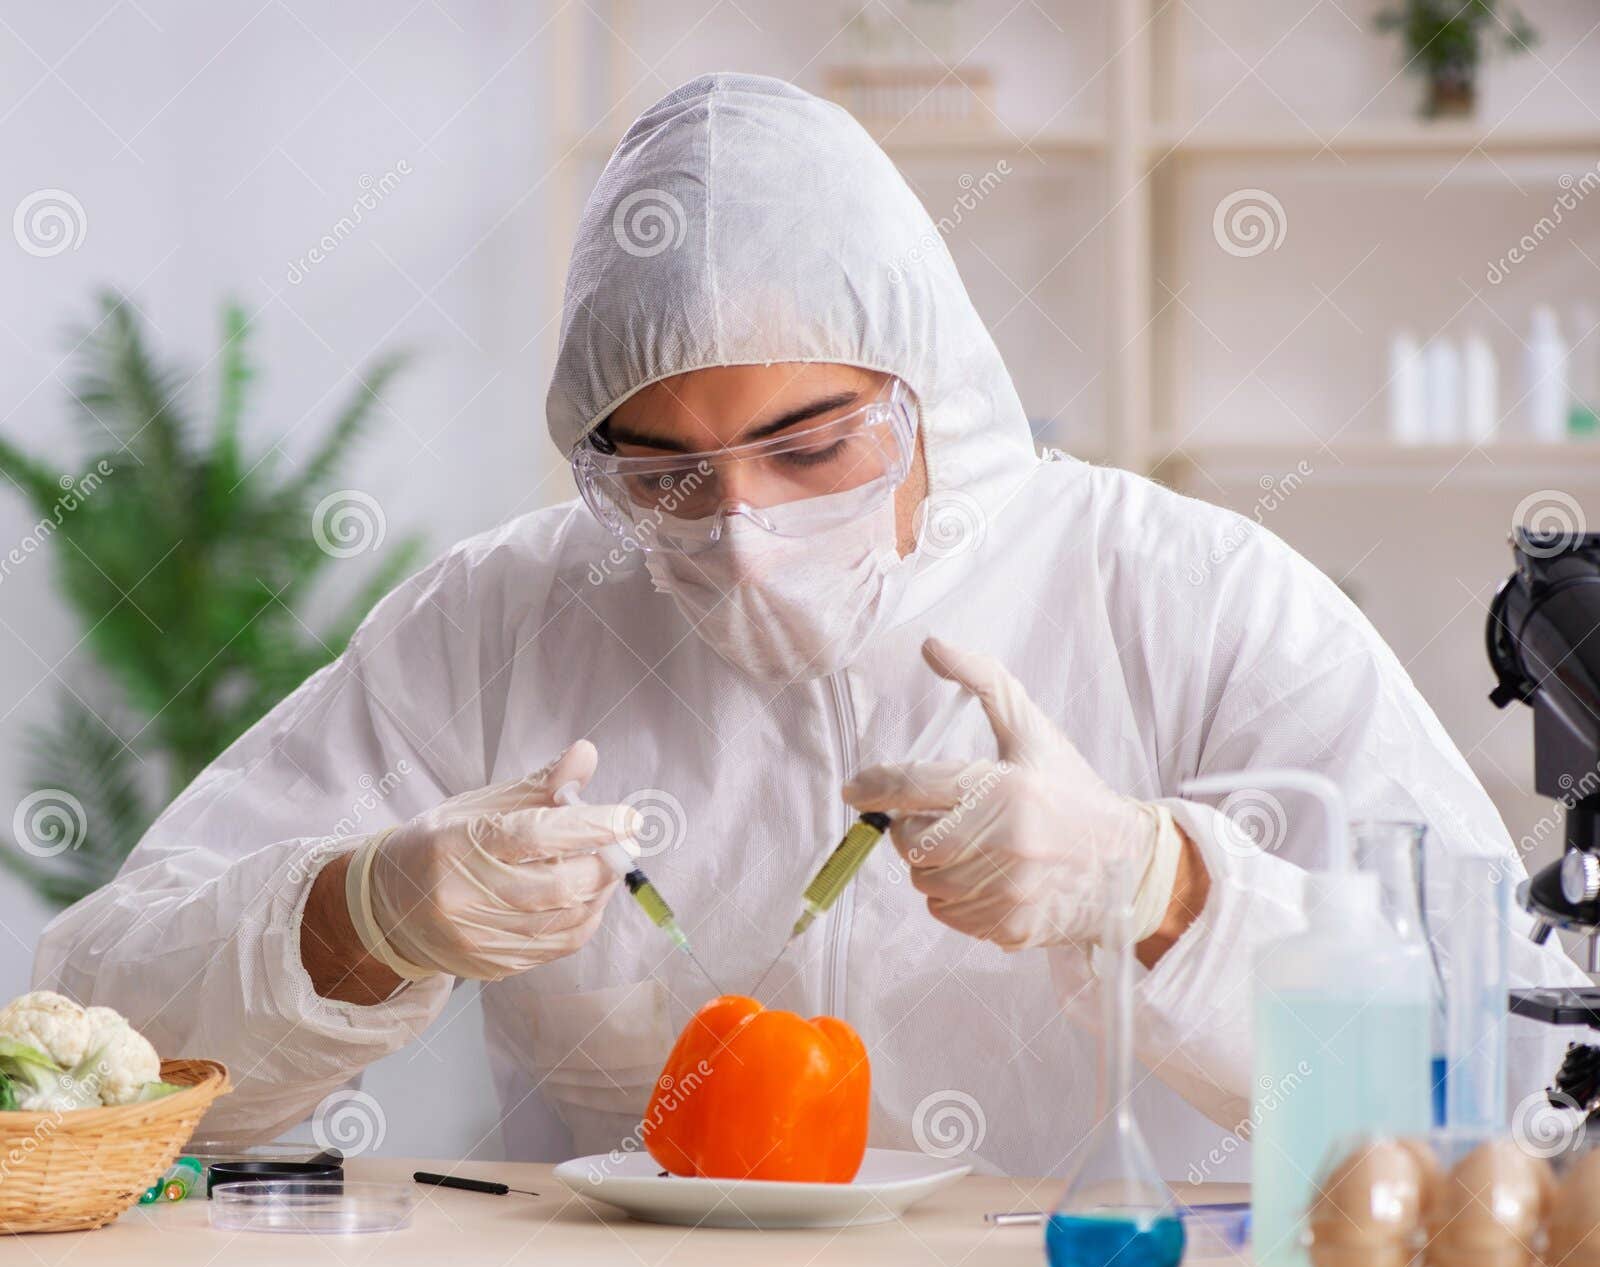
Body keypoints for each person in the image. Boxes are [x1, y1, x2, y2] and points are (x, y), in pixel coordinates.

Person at [34, 73, 1582, 1177]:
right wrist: (355, 920)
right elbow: (95, 1039)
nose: (746, 537)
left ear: (935, 400)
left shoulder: (1192, 591)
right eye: (663, 474)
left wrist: (1163, 888)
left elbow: (1507, 1077)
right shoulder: (501, 615)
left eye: (810, 445)